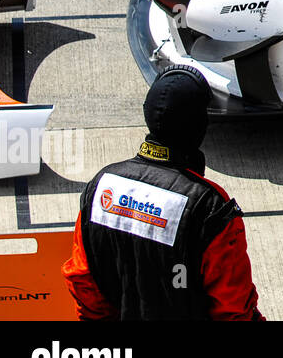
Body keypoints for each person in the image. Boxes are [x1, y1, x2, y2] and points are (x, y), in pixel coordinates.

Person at [62, 67, 263, 320]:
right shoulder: (209, 207)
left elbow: (83, 280)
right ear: (199, 126)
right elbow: (233, 309)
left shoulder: (101, 186)